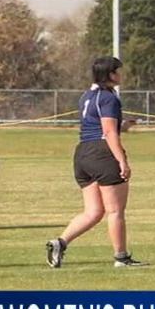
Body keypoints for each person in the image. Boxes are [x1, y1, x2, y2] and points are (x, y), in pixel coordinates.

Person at [46, 56, 139, 268]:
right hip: (102, 153)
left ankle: (60, 242)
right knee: (115, 211)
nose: (121, 75)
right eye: (118, 71)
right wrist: (122, 160)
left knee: (94, 212)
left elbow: (98, 126)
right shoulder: (109, 98)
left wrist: (123, 125)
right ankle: (121, 257)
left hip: (82, 154)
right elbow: (107, 132)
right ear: (110, 74)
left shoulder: (86, 96)